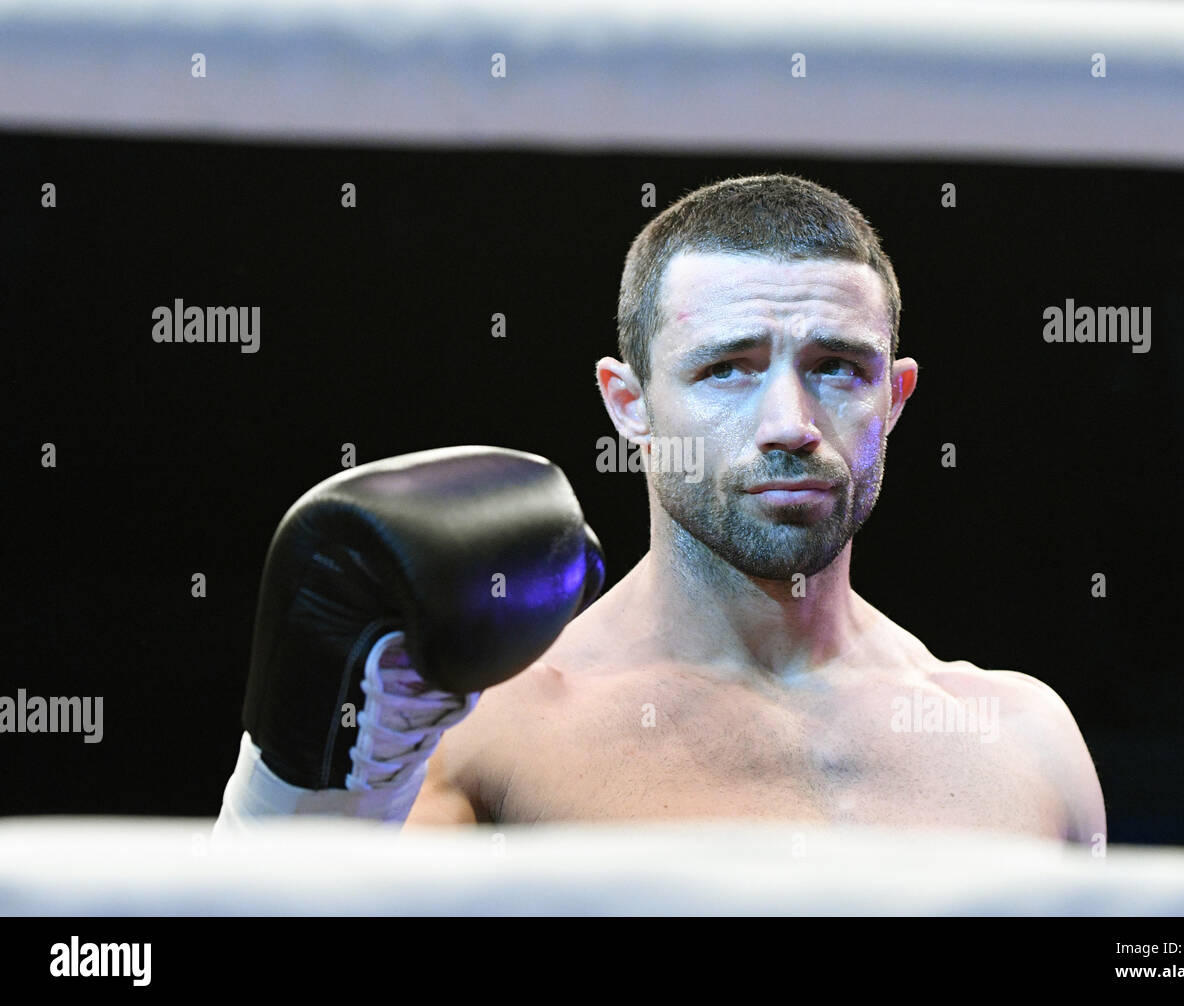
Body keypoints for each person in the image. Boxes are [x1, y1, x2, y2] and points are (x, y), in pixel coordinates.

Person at [216, 174, 1105, 845]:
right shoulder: (499, 734)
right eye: (729, 369)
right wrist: (293, 786)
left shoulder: (1025, 741)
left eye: (838, 366)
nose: (790, 425)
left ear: (896, 398)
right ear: (629, 404)